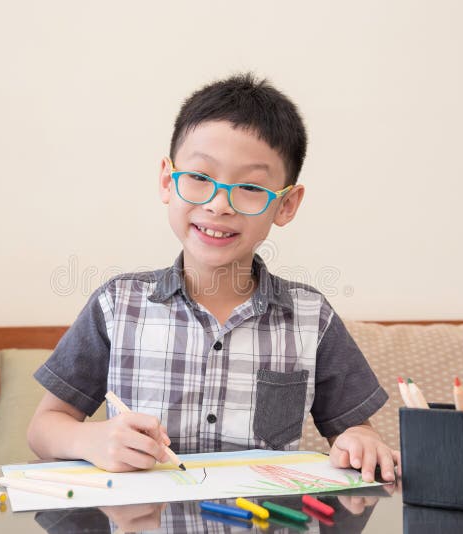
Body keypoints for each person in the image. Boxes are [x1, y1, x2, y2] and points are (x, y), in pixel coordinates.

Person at [27, 73, 400, 483]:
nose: (219, 204)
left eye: (251, 188)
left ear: (287, 205)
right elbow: (45, 428)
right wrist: (89, 440)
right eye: (200, 178)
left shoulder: (312, 318)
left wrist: (360, 440)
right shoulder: (118, 305)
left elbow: (354, 430)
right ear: (168, 181)